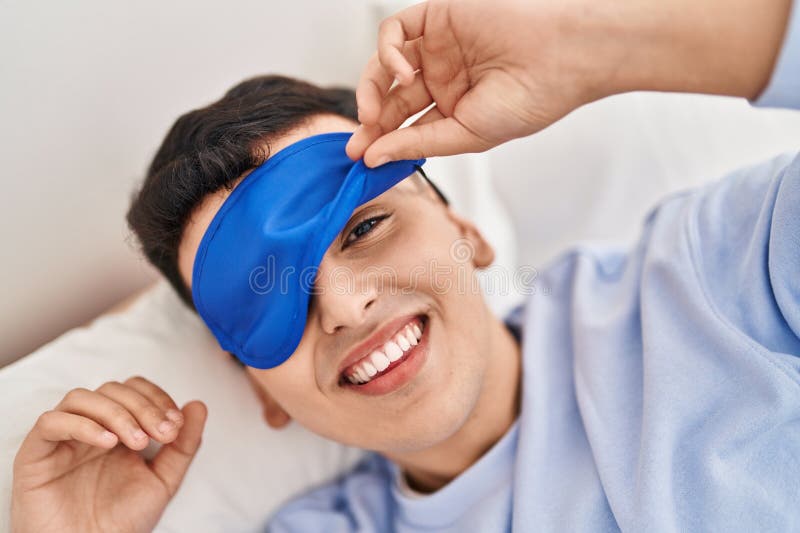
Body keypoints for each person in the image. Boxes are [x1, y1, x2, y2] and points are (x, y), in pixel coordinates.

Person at [10, 0, 800, 532]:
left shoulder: (724, 270)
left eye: (364, 229)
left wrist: (595, 45)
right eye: (264, 296)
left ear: (466, 228)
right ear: (258, 387)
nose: (347, 306)